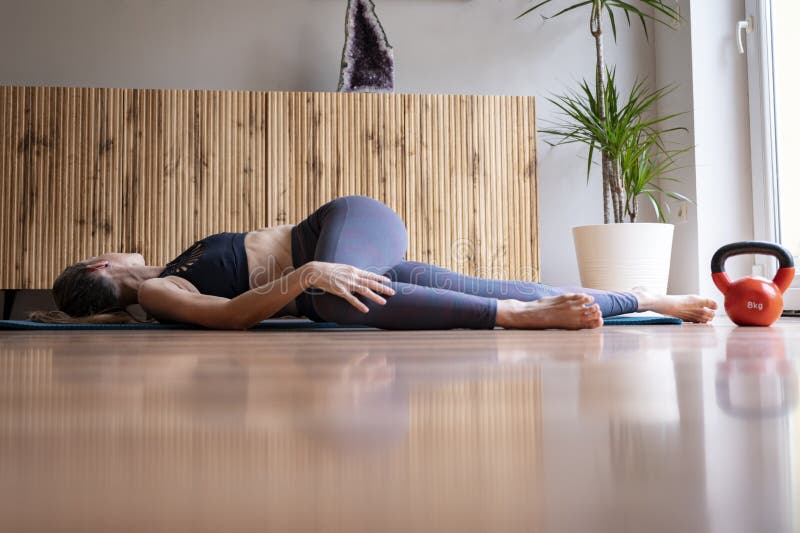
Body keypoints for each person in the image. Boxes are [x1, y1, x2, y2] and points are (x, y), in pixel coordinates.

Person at [31, 195, 717, 330]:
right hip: (346, 267)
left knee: (335, 303)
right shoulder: (155, 294)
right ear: (101, 265)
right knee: (516, 284)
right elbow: (231, 316)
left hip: (348, 225)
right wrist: (304, 276)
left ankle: (519, 317)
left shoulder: (166, 274)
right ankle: (650, 299)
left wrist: (311, 272)